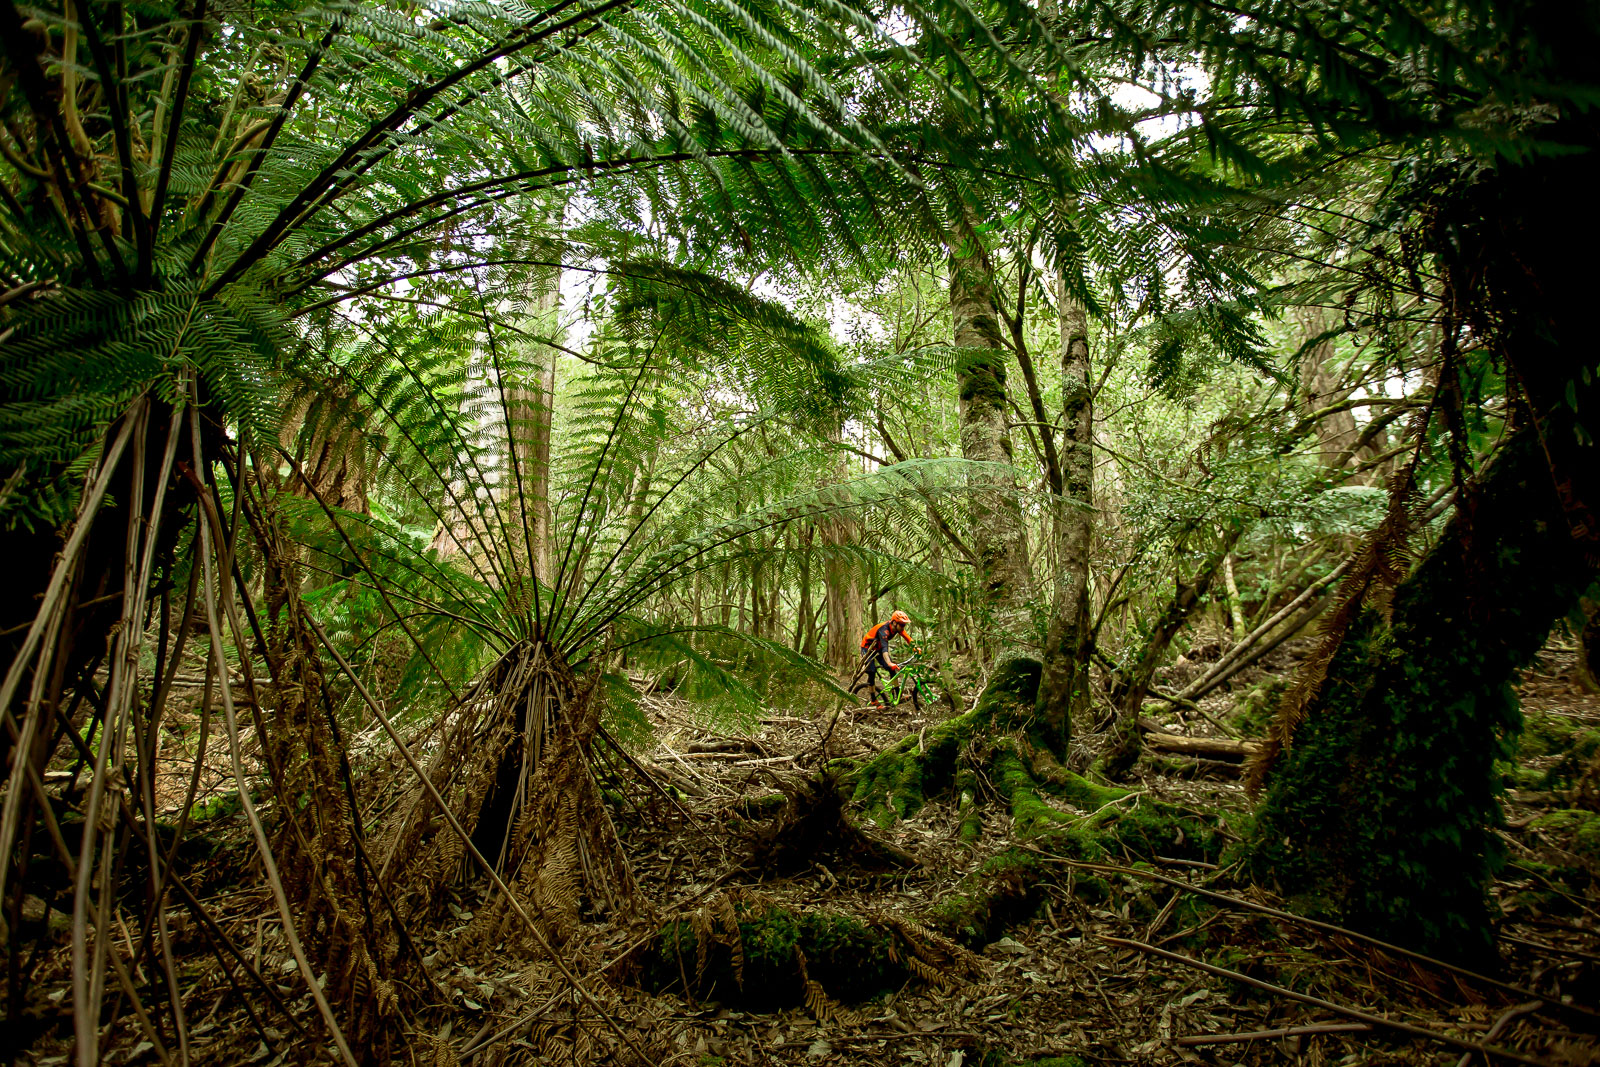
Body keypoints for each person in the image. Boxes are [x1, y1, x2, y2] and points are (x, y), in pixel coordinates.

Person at [859, 610, 918, 691]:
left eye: (904, 625)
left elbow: (908, 638)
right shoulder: (884, 630)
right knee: (872, 672)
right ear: (894, 623)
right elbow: (884, 649)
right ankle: (873, 699)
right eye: (901, 624)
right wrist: (889, 663)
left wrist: (915, 647)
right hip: (867, 648)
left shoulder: (898, 628)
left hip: (878, 648)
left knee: (892, 669)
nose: (903, 627)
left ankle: (898, 696)